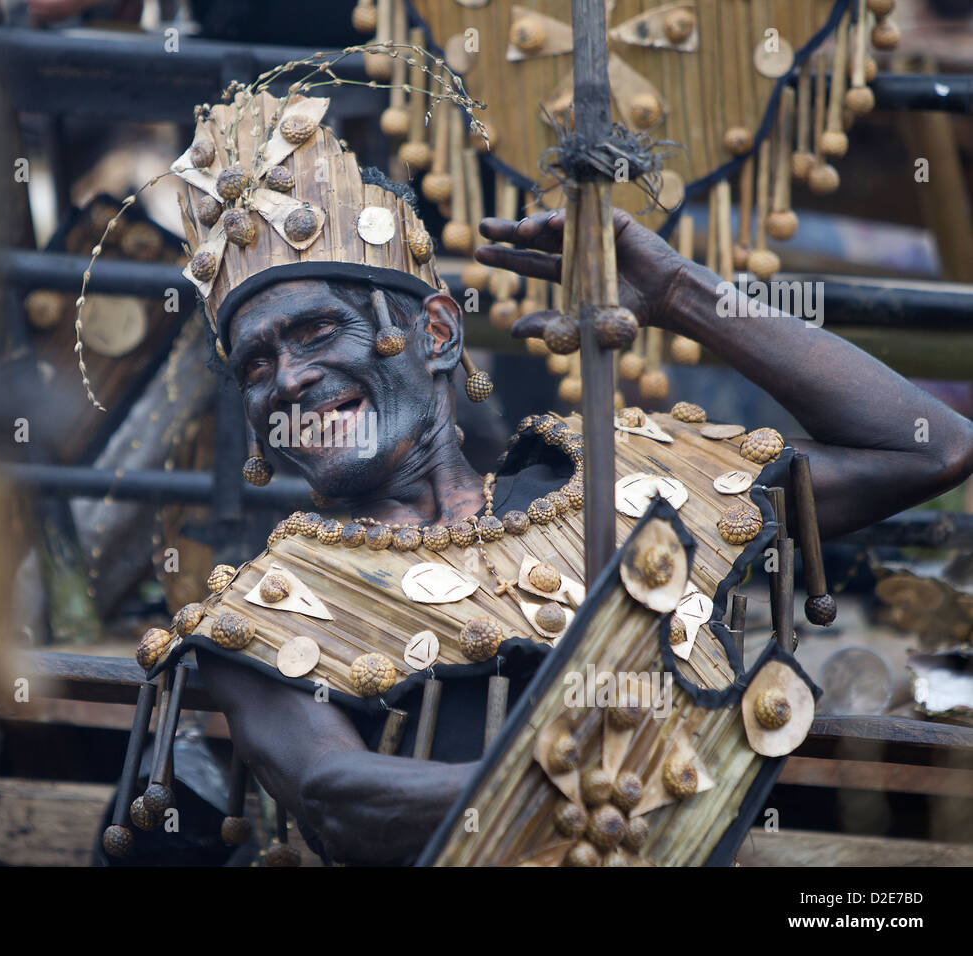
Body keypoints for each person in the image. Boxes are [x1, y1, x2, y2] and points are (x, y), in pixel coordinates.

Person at [131, 87, 973, 865]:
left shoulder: (623, 479)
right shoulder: (262, 612)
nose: (288, 380)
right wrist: (599, 786)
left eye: (317, 332)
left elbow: (925, 449)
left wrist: (678, 290)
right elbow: (335, 793)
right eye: (254, 366)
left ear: (437, 334)